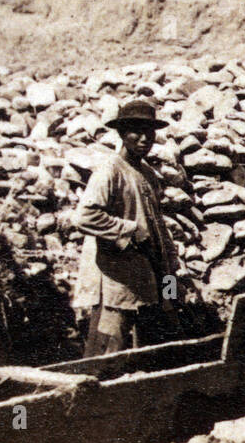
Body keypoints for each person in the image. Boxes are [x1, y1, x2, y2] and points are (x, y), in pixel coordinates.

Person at [72, 97, 182, 356]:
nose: (145, 138)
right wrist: (129, 230)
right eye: (137, 131)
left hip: (148, 277)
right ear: (122, 133)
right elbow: (84, 216)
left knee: (150, 347)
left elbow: (158, 232)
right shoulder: (110, 171)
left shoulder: (148, 174)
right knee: (108, 351)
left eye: (150, 132)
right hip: (116, 282)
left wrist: (172, 285)